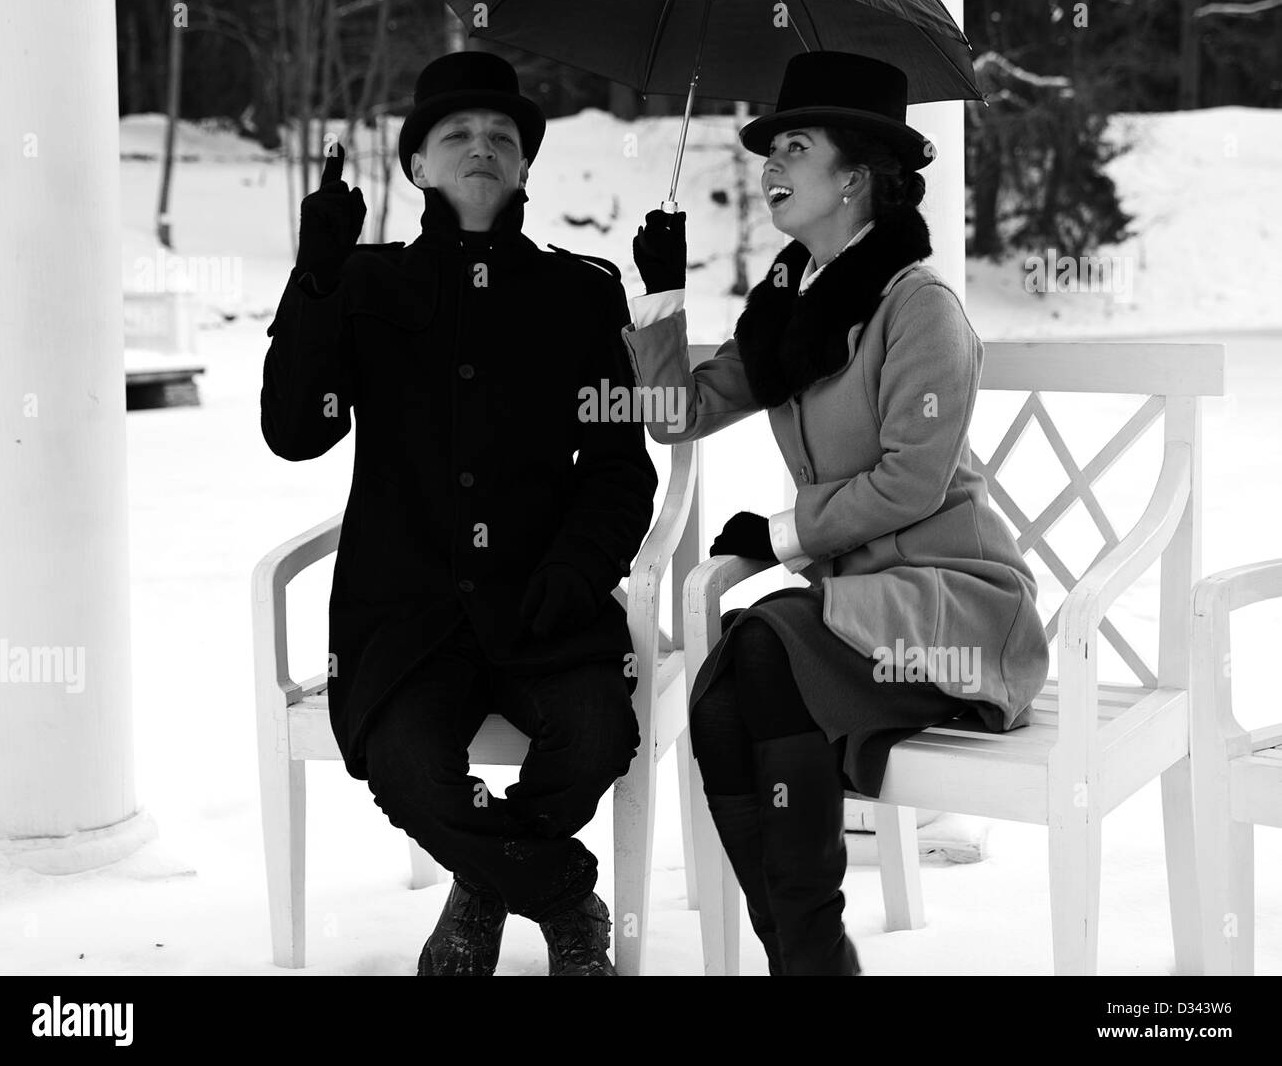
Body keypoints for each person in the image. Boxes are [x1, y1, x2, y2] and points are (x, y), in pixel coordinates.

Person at [621, 50, 1050, 976]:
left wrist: (775, 537)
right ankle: (811, 962)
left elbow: (912, 484)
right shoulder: (787, 311)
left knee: (761, 646)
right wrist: (659, 294)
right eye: (769, 148)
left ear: (856, 176)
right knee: (726, 696)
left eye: (795, 147)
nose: (770, 164)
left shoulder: (917, 305)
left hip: (956, 608)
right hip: (853, 616)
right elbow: (675, 418)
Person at [260, 50, 658, 976]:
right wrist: (315, 279)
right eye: (456, 134)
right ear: (416, 166)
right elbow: (293, 430)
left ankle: (482, 889)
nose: (481, 147)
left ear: (525, 166)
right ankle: (561, 896)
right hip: (405, 613)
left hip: (541, 604)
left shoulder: (578, 293)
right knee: (406, 765)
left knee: (595, 731)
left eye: (502, 137)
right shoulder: (363, 286)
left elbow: (616, 472)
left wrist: (574, 573)